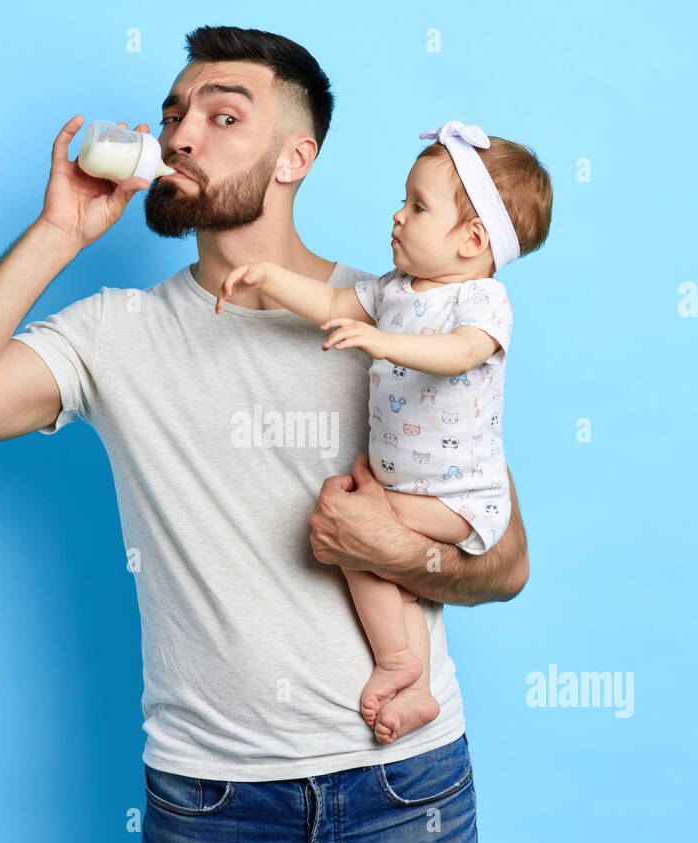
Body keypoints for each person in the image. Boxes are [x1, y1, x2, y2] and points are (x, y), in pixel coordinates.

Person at [0, 25, 530, 843]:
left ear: (296, 158)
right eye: (175, 114)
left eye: (224, 118)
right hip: (211, 805)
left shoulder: (396, 318)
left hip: (407, 787)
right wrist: (57, 235)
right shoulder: (115, 333)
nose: (180, 135)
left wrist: (398, 551)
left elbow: (503, 563)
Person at [213, 121, 551, 747]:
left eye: (418, 207)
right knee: (380, 557)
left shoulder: (481, 301)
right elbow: (336, 306)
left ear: (472, 238)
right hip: (407, 484)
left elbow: (458, 354)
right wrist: (269, 278)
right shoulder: (395, 291)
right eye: (403, 200)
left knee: (350, 531)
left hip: (462, 496)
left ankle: (397, 662)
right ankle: (416, 688)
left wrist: (380, 341)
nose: (397, 216)